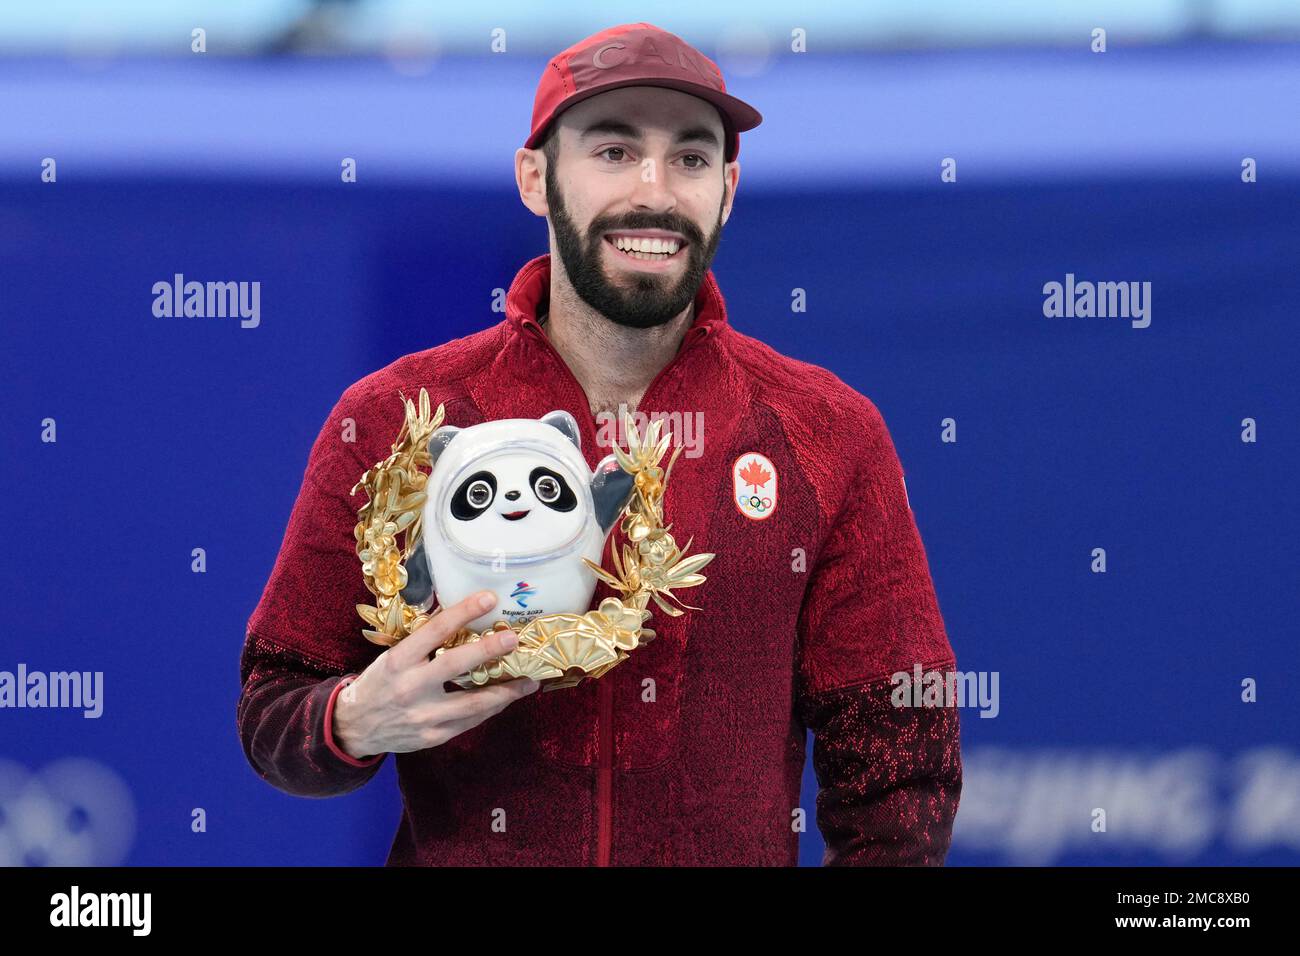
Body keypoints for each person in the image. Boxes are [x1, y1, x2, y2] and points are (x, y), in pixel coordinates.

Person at [237, 22, 962, 866]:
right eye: (614, 152)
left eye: (690, 158)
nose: (654, 191)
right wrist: (353, 719)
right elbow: (270, 709)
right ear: (535, 178)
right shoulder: (400, 418)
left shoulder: (825, 431)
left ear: (729, 186)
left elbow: (901, 763)